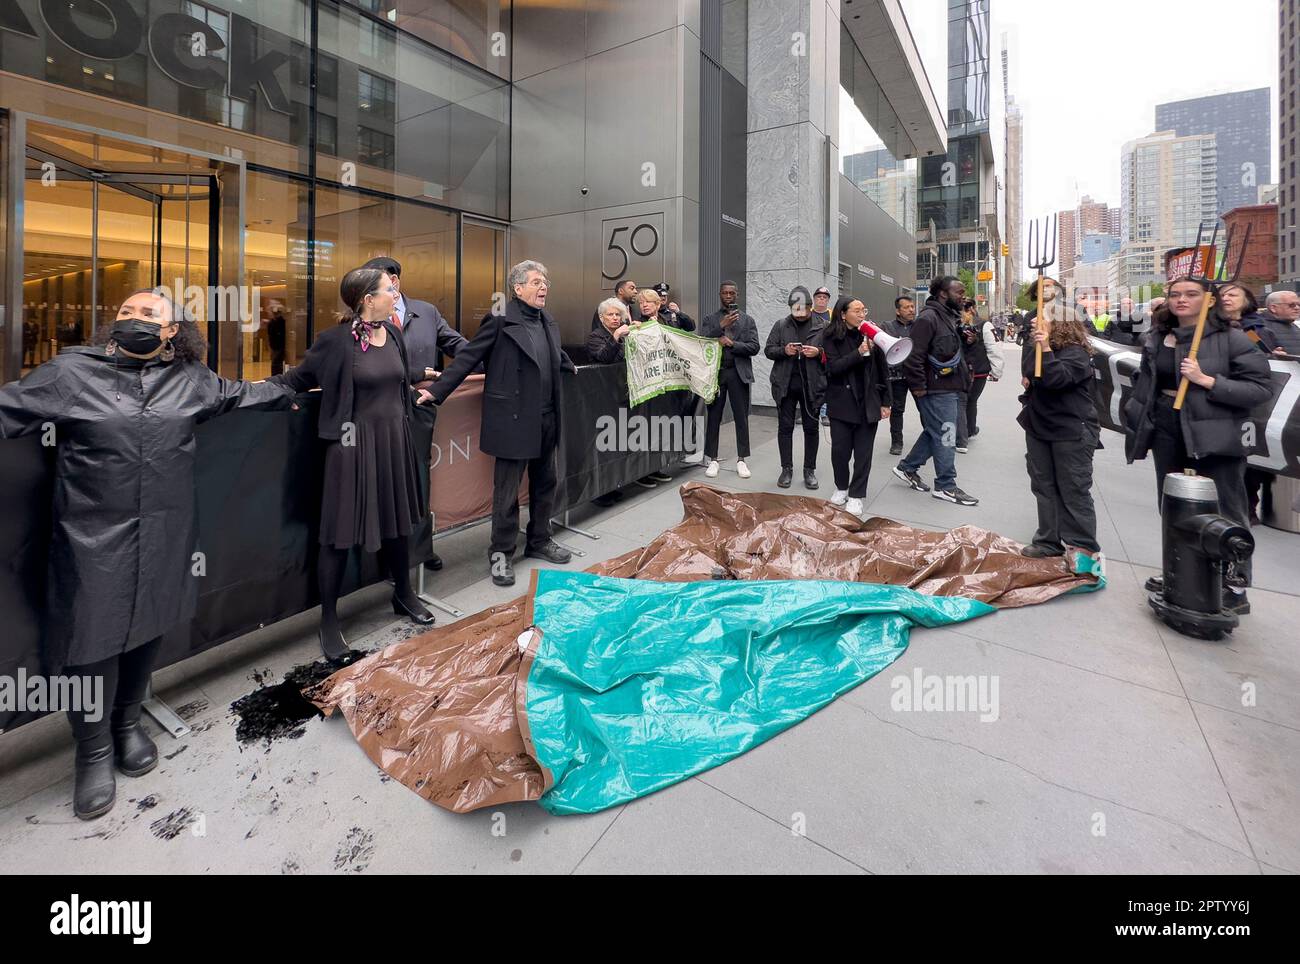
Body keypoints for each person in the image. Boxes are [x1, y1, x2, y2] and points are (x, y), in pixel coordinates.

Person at [0, 289, 299, 820]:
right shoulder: (70, 375)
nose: (133, 320)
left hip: (166, 530)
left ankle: (128, 725)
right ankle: (92, 753)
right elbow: (8, 410)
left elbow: (242, 394)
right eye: (125, 312)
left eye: (148, 315)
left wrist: (299, 385)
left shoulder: (190, 380)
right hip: (90, 536)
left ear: (170, 332)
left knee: (149, 624)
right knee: (91, 640)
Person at [271, 267, 437, 658]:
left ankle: (404, 594)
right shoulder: (334, 342)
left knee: (397, 524)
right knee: (339, 533)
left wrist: (420, 374)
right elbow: (297, 378)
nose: (394, 294)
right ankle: (329, 620)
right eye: (387, 290)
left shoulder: (393, 333)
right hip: (352, 447)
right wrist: (255, 392)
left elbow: (390, 376)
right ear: (367, 299)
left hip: (394, 442)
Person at [1122, 277, 1273, 614]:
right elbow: (1146, 380)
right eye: (1175, 294)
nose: (1181, 300)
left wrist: (1208, 381)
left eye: (1191, 294)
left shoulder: (1232, 339)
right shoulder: (1158, 337)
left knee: (1226, 507)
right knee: (1172, 501)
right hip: (1167, 426)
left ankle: (1233, 584)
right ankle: (1181, 571)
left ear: (1209, 300)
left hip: (1214, 431)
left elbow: (1260, 390)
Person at [425, 260, 576, 588]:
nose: (543, 286)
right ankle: (501, 555)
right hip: (514, 419)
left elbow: (550, 354)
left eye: (545, 281)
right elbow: (467, 358)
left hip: (548, 418)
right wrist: (436, 393)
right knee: (506, 493)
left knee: (545, 483)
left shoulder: (548, 320)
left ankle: (539, 540)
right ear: (518, 288)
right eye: (536, 281)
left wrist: (566, 364)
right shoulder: (499, 319)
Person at [360, 255, 468, 573]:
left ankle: (419, 551)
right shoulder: (365, 316)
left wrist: (452, 377)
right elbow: (370, 362)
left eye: (379, 278)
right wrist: (423, 370)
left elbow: (460, 347)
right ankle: (383, 561)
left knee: (419, 482)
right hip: (379, 409)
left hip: (418, 408)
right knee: (383, 482)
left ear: (395, 280)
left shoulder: (427, 312)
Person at [1017, 305, 1101, 558]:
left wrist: (1046, 349)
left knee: (1073, 488)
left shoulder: (1076, 353)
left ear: (1060, 324)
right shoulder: (1039, 348)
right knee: (1043, 484)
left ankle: (1082, 547)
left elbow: (1057, 380)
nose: (1034, 322)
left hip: (1071, 427)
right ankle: (1048, 540)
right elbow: (1032, 377)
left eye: (1042, 319)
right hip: (1040, 424)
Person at [892, 275, 978, 505]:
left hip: (947, 386)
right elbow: (913, 356)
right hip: (935, 389)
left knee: (934, 431)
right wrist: (919, 387)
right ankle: (946, 485)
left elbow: (945, 349)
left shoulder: (947, 317)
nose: (963, 297)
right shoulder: (928, 318)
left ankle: (907, 468)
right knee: (947, 433)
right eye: (958, 292)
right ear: (943, 294)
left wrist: (966, 340)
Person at [817, 296, 890, 515]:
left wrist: (886, 402)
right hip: (841, 402)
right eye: (857, 311)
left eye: (863, 310)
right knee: (840, 451)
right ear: (842, 314)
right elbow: (834, 368)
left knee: (863, 453)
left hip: (868, 402)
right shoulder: (830, 337)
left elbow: (882, 370)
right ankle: (841, 487)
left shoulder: (871, 333)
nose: (861, 315)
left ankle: (857, 495)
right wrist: (858, 353)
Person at [765, 285, 827, 489]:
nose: (799, 314)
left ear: (810, 306)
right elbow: (768, 350)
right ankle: (786, 469)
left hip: (812, 385)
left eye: (803, 309)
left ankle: (810, 470)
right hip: (785, 384)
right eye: (795, 309)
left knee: (811, 428)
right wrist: (784, 350)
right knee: (785, 428)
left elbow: (832, 353)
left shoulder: (823, 325)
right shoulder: (781, 325)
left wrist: (818, 352)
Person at [698, 281, 759, 480]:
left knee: (741, 417)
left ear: (737, 295)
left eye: (732, 293)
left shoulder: (748, 320)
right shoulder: (710, 319)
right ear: (720, 295)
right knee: (713, 416)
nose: (728, 296)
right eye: (725, 293)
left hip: (738, 373)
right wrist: (720, 327)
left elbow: (754, 347)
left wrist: (733, 343)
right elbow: (702, 340)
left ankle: (742, 459)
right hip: (716, 373)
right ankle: (712, 458)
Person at [955, 301, 1003, 452]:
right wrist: (996, 371)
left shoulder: (951, 322)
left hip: (958, 369)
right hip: (978, 370)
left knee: (962, 401)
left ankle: (965, 431)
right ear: (972, 309)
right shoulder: (984, 324)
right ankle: (967, 432)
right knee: (970, 400)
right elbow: (994, 348)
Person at [880, 295, 916, 456]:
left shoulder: (920, 326)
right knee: (897, 409)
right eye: (907, 307)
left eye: (912, 307)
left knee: (926, 407)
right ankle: (897, 442)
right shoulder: (887, 327)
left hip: (916, 375)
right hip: (897, 376)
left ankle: (932, 438)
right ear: (897, 310)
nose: (911, 310)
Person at [1248, 289, 1300, 355]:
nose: (1297, 308)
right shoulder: (1255, 327)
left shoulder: (1293, 325)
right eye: (1292, 305)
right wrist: (1271, 356)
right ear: (1273, 308)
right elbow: (1253, 356)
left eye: (1299, 305)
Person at [586, 296, 633, 364]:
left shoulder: (623, 335)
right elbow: (605, 358)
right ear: (601, 317)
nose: (615, 318)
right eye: (610, 314)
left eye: (617, 314)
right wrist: (616, 336)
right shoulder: (594, 337)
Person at [266, 303, 287, 375]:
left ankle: (277, 376)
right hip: (274, 346)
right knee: (274, 363)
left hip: (280, 346)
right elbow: (269, 335)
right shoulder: (271, 322)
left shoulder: (281, 322)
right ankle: (274, 376)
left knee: (277, 363)